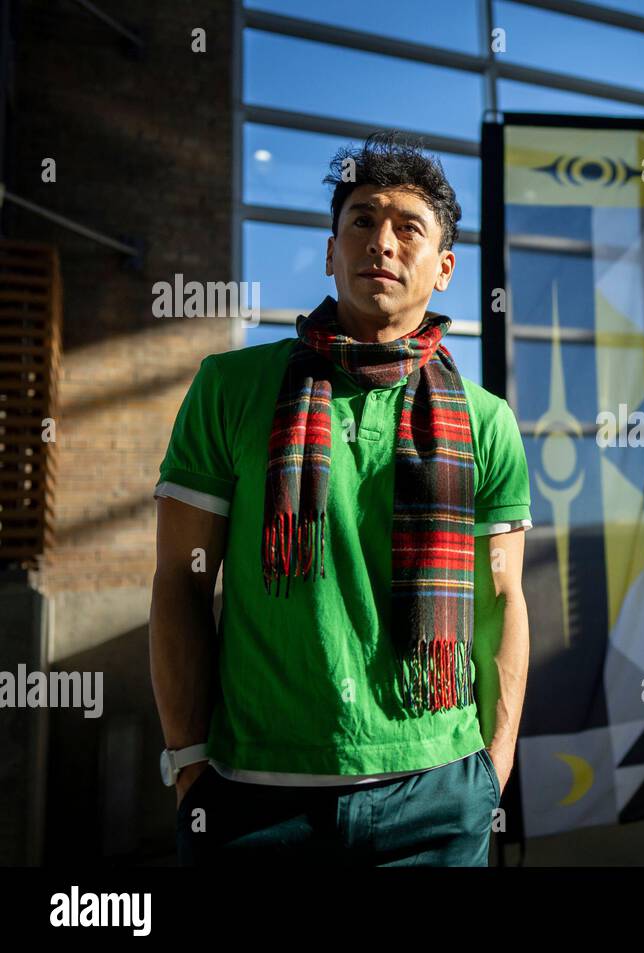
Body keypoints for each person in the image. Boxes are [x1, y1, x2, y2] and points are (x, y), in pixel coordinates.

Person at [149, 131, 530, 866]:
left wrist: (494, 769)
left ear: (443, 268)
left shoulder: (485, 420)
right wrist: (189, 765)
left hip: (440, 794)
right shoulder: (229, 389)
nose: (381, 242)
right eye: (361, 220)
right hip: (252, 796)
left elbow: (503, 598)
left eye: (407, 227)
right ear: (331, 253)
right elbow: (181, 579)